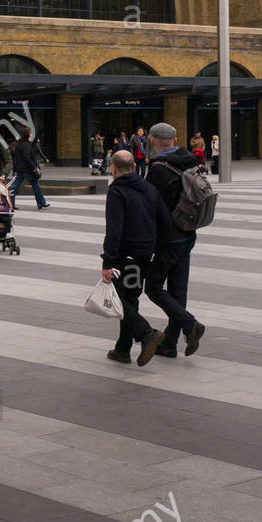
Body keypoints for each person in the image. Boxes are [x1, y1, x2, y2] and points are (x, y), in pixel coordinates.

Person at [143, 123, 206, 359]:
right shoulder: (190, 160)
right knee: (178, 290)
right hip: (188, 233)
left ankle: (190, 325)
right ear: (175, 139)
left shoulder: (158, 169)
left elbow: (150, 206)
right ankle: (169, 344)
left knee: (153, 287)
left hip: (168, 237)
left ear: (152, 141)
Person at [101, 150, 169, 367]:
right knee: (130, 298)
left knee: (120, 301)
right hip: (144, 254)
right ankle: (122, 349)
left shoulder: (117, 191)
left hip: (125, 256)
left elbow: (114, 230)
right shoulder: (149, 188)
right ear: (133, 166)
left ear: (114, 167)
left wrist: (108, 261)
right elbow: (164, 221)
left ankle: (146, 333)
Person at [11, 127, 48, 209]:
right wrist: (34, 168)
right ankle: (41, 203)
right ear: (27, 134)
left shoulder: (18, 144)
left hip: (19, 169)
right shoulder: (26, 145)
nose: (31, 135)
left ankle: (10, 203)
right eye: (30, 133)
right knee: (35, 186)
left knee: (15, 187)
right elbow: (27, 158)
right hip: (27, 170)